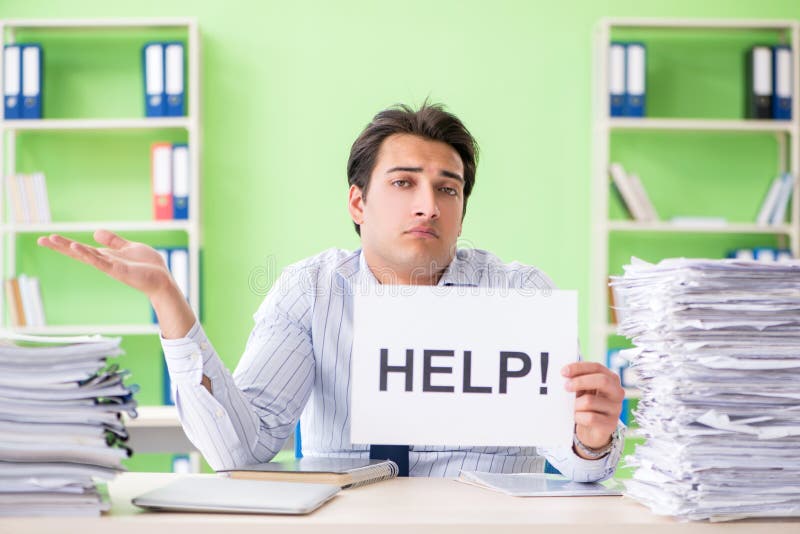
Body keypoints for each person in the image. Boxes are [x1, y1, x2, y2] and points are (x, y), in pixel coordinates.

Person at [39, 102, 625, 480]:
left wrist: (592, 441)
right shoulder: (309, 291)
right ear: (358, 203)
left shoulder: (520, 294)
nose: (428, 205)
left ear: (462, 210)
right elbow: (238, 451)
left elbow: (578, 464)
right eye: (404, 183)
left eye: (448, 189)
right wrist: (170, 302)